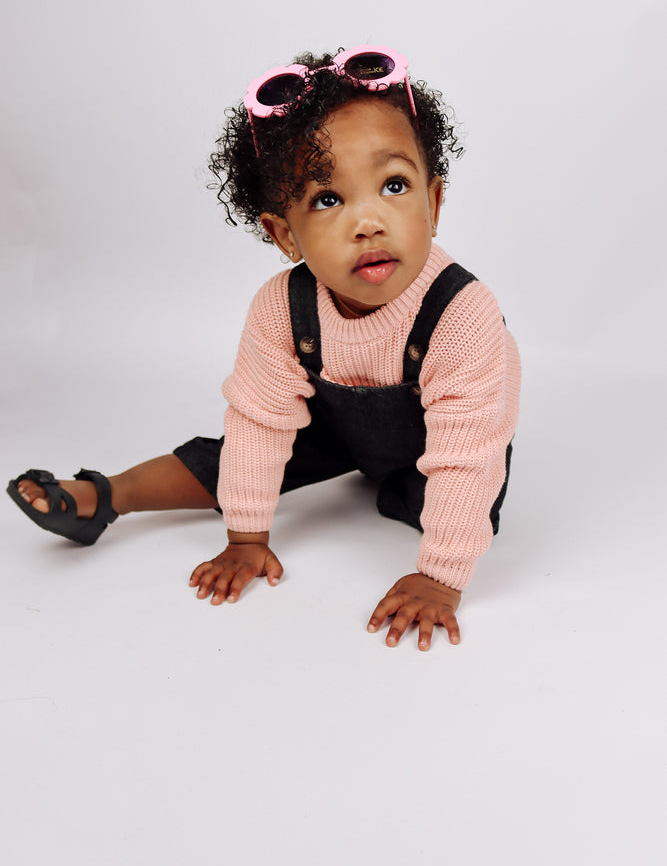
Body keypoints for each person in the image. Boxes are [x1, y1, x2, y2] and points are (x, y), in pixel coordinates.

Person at [7, 46, 521, 650]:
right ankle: (107, 495)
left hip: (445, 443)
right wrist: (246, 537)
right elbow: (259, 423)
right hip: (336, 427)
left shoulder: (460, 314)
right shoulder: (284, 306)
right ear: (284, 234)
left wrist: (440, 576)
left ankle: (397, 493)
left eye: (394, 185)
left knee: (442, 498)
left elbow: (465, 458)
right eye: (327, 199)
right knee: (237, 457)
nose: (368, 222)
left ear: (432, 203)